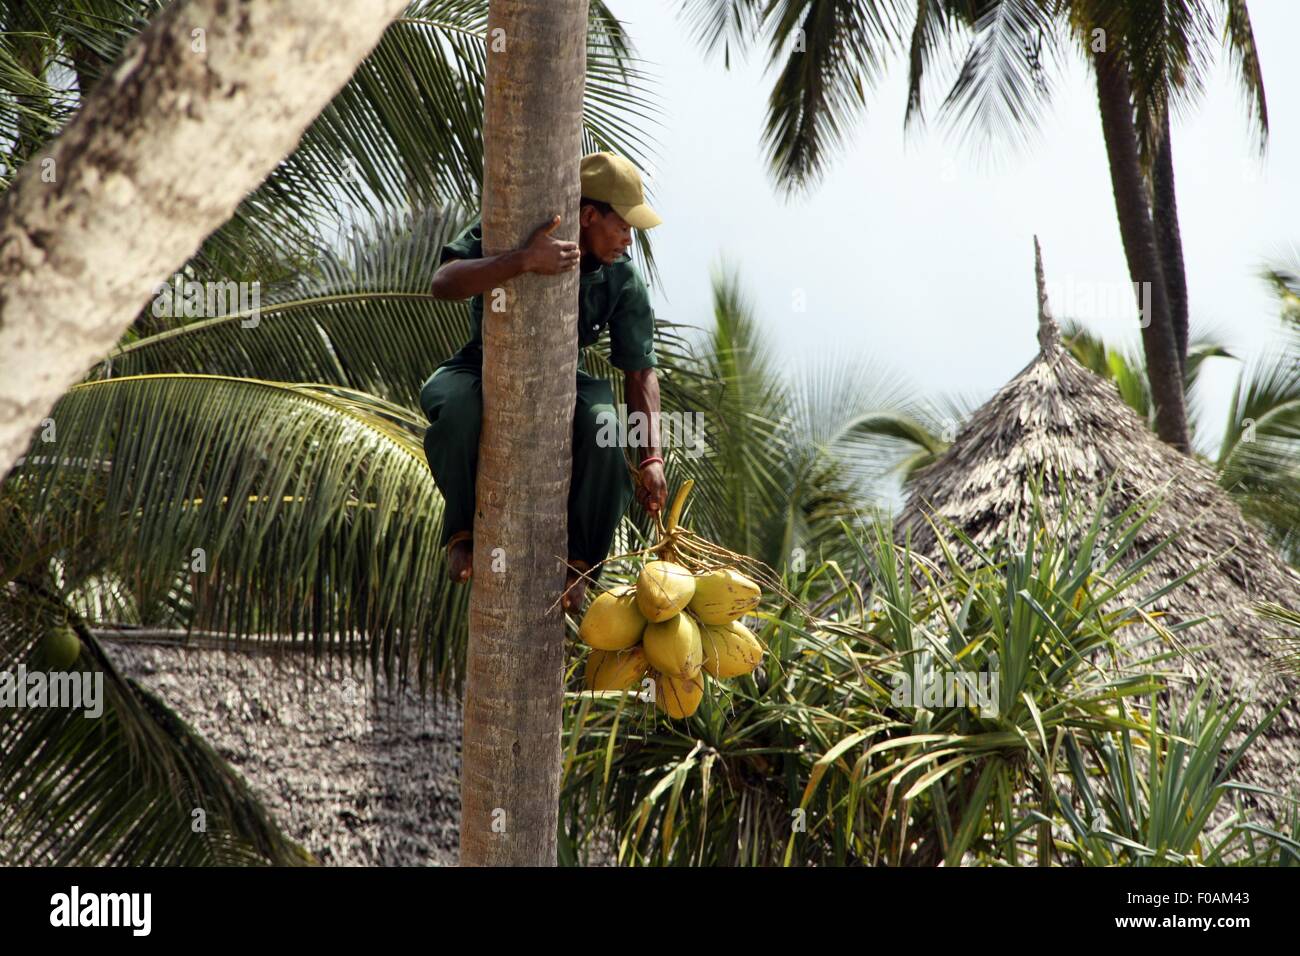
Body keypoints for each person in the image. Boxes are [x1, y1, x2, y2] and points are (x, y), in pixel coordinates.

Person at [420, 151, 668, 612]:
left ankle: (581, 565)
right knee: (456, 413)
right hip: (481, 365)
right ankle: (462, 534)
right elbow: (444, 283)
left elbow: (640, 372)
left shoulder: (622, 278)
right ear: (589, 216)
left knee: (604, 429)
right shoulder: (506, 225)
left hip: (566, 379)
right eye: (623, 227)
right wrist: (522, 260)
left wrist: (650, 455)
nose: (628, 241)